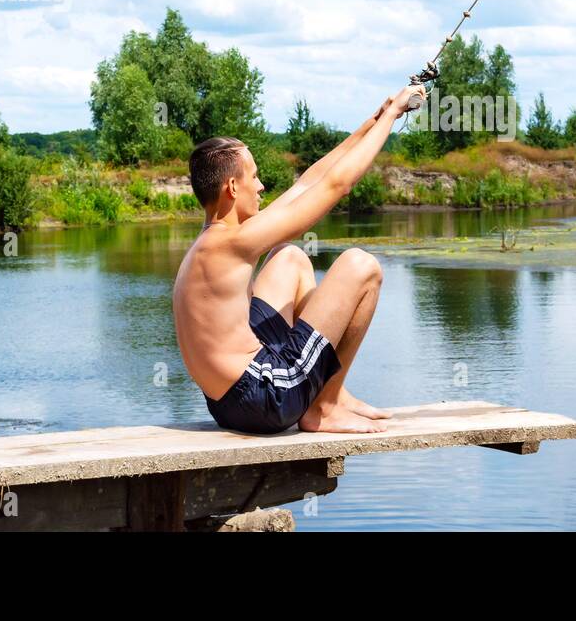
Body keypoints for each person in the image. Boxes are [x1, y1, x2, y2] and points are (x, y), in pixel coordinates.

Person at [172, 83, 426, 434]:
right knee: (361, 266)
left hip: (229, 402)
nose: (261, 186)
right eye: (255, 177)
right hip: (264, 399)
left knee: (289, 257)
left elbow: (307, 184)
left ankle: (331, 390)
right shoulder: (231, 243)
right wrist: (395, 115)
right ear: (232, 187)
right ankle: (324, 405)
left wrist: (374, 120)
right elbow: (337, 186)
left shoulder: (213, 241)